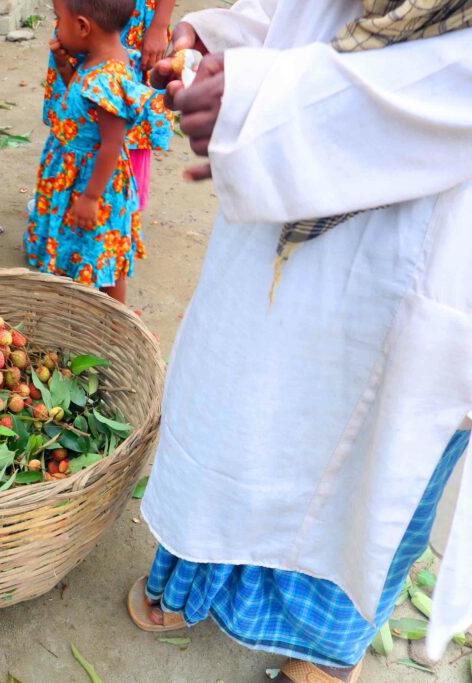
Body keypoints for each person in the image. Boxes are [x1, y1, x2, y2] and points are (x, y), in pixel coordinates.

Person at [127, 1, 472, 681]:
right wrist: (222, 38)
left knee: (363, 459)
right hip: (284, 205)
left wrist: (267, 102)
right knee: (242, 401)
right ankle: (189, 583)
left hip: (425, 241)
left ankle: (322, 653)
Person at [23, 0, 171, 302]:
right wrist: (65, 67)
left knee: (105, 259)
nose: (56, 28)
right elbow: (81, 102)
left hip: (95, 188)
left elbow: (112, 145)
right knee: (76, 248)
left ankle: (116, 323)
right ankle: (76, 315)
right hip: (76, 180)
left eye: (58, 20)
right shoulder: (94, 59)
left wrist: (90, 197)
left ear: (82, 26)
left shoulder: (109, 78)